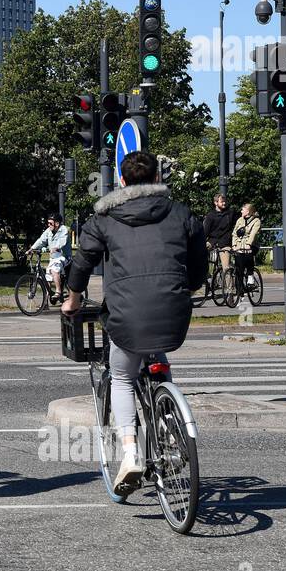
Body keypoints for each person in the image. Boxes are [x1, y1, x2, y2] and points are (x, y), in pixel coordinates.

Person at [61, 150, 205, 492]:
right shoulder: (181, 213)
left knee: (123, 377)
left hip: (127, 315)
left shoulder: (104, 219)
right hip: (173, 311)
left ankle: (130, 454)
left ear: (122, 182)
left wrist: (74, 300)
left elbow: (81, 264)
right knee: (157, 353)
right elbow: (199, 261)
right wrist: (190, 286)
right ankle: (170, 423)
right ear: (157, 178)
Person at [26, 213, 71, 303]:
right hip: (54, 258)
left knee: (54, 270)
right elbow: (41, 240)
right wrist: (31, 249)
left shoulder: (64, 230)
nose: (48, 225)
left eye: (50, 223)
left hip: (63, 257)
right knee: (47, 279)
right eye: (48, 223)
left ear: (57, 223)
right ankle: (45, 303)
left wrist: (56, 247)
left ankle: (58, 291)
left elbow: (62, 241)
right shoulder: (48, 231)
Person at [232, 202, 263, 291]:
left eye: (243, 209)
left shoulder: (256, 221)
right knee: (239, 266)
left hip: (252, 245)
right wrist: (234, 245)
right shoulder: (240, 220)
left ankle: (250, 277)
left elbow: (253, 234)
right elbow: (234, 233)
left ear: (248, 211)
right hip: (239, 245)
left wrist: (249, 244)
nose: (241, 211)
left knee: (248, 255)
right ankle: (240, 289)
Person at [203, 193, 235, 278]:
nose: (224, 203)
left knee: (226, 267)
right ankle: (205, 272)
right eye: (222, 202)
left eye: (225, 201)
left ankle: (229, 289)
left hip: (225, 242)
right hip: (212, 240)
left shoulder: (230, 213)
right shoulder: (210, 215)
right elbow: (205, 231)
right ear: (216, 203)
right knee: (201, 250)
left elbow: (238, 223)